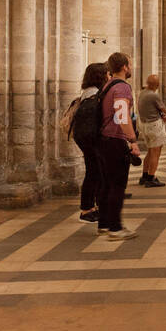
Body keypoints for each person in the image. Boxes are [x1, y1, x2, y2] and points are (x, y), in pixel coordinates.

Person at [97, 52, 140, 239]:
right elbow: (122, 117)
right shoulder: (121, 88)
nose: (131, 68)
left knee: (106, 184)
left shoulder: (107, 85)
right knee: (117, 185)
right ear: (124, 67)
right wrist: (133, 141)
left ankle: (104, 224)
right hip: (115, 140)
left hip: (104, 139)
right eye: (130, 64)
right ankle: (115, 228)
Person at [64, 62, 109, 223]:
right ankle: (86, 209)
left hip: (85, 138)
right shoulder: (93, 95)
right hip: (91, 138)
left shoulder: (89, 92)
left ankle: (93, 207)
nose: (108, 77)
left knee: (95, 171)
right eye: (106, 74)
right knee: (93, 172)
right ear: (100, 76)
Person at [137, 74, 166, 187]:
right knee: (156, 152)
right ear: (157, 85)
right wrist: (164, 114)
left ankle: (144, 176)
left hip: (144, 124)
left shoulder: (142, 93)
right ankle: (151, 178)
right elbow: (163, 109)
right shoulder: (153, 95)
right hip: (154, 126)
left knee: (150, 151)